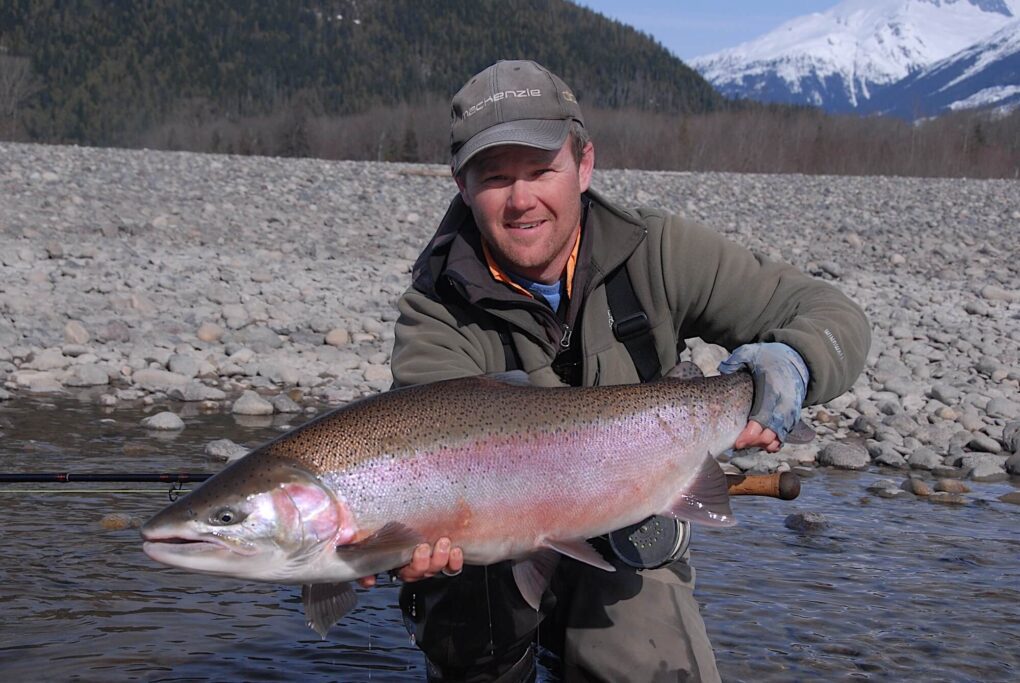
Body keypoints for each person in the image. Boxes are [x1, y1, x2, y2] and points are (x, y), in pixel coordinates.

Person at [362, 60, 870, 682]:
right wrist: (396, 539)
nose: (521, 200)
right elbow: (418, 457)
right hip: (489, 558)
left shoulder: (657, 252)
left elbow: (833, 316)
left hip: (631, 529)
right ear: (462, 186)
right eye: (495, 177)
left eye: (541, 170)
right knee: (468, 619)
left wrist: (794, 363)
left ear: (584, 165)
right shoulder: (436, 312)